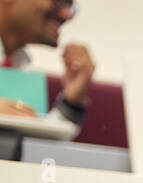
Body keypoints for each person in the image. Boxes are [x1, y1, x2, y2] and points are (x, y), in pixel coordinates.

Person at [0, 0, 93, 130]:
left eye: (71, 6)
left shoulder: (17, 64)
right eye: (59, 1)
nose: (68, 15)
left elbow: (30, 141)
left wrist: (71, 104)